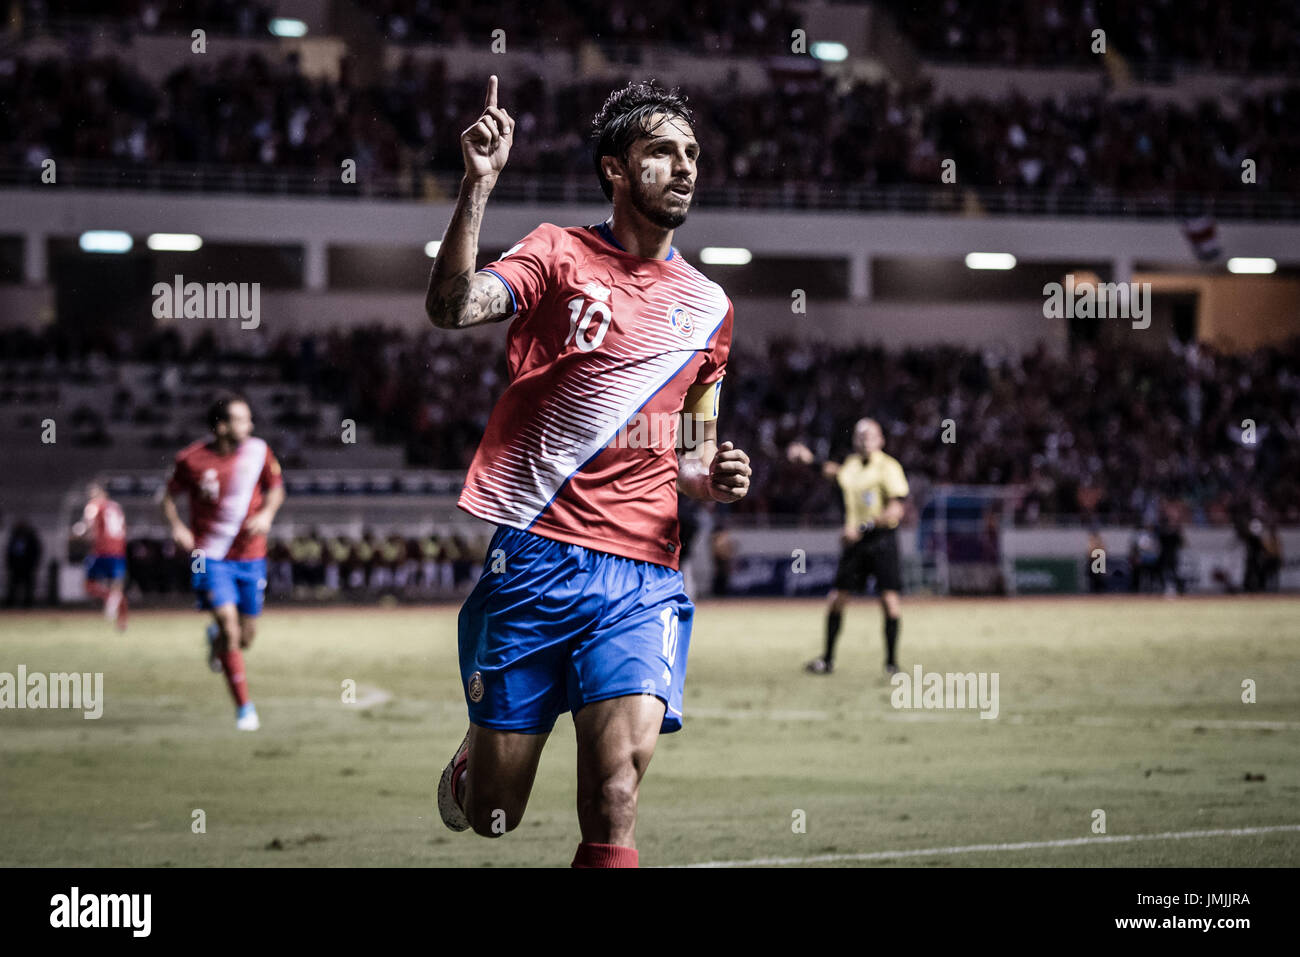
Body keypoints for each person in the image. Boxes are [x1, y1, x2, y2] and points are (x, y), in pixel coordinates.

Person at [425, 76, 751, 867]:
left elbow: (691, 454)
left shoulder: (711, 306)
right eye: (662, 152)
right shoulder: (556, 251)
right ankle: (476, 765)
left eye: (693, 154)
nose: (685, 167)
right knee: (495, 811)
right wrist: (476, 186)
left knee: (614, 797)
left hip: (643, 574)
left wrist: (716, 476)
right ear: (615, 168)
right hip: (538, 558)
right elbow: (455, 305)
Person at [160, 394, 285, 731]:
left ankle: (215, 640)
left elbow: (276, 488)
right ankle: (245, 709)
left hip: (251, 555)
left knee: (245, 637)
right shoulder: (190, 459)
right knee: (231, 629)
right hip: (208, 555)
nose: (251, 425)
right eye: (243, 419)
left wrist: (267, 514)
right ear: (222, 426)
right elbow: (167, 497)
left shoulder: (259, 451)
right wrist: (177, 527)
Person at [789, 417, 910, 676]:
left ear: (881, 440)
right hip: (855, 543)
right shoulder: (852, 465)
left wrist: (863, 527)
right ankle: (828, 659)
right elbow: (835, 472)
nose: (864, 439)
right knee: (836, 600)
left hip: (881, 541)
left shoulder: (889, 467)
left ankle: (891, 663)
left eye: (869, 435)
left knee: (890, 601)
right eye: (859, 435)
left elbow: (896, 509)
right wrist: (808, 459)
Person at [74, 482, 129, 630]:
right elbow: (123, 529)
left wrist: (79, 532)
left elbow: (88, 525)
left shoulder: (94, 505)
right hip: (118, 550)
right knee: (117, 587)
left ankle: (109, 598)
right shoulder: (116, 507)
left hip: (101, 550)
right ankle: (122, 621)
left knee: (88, 585)